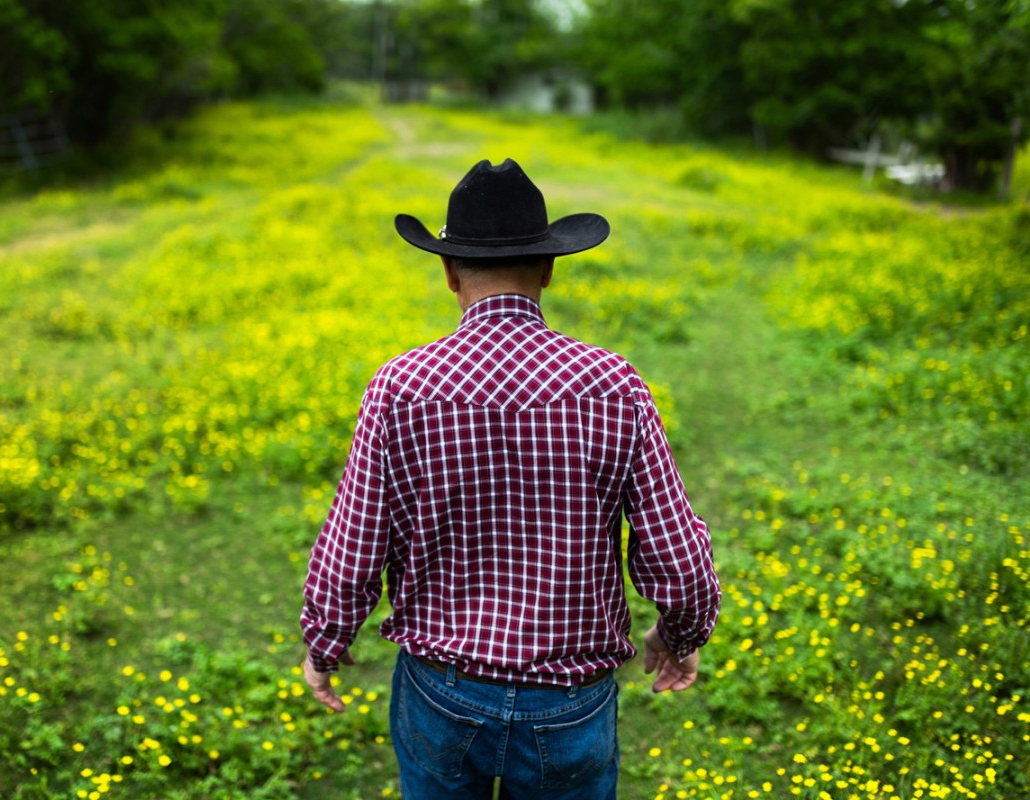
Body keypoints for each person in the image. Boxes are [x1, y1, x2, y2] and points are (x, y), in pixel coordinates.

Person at [300, 158, 720, 799]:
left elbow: (353, 546)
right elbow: (678, 555)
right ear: (549, 268)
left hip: (441, 689)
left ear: (448, 272)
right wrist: (678, 635)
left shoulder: (400, 387)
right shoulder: (613, 383)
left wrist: (324, 643)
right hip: (571, 698)